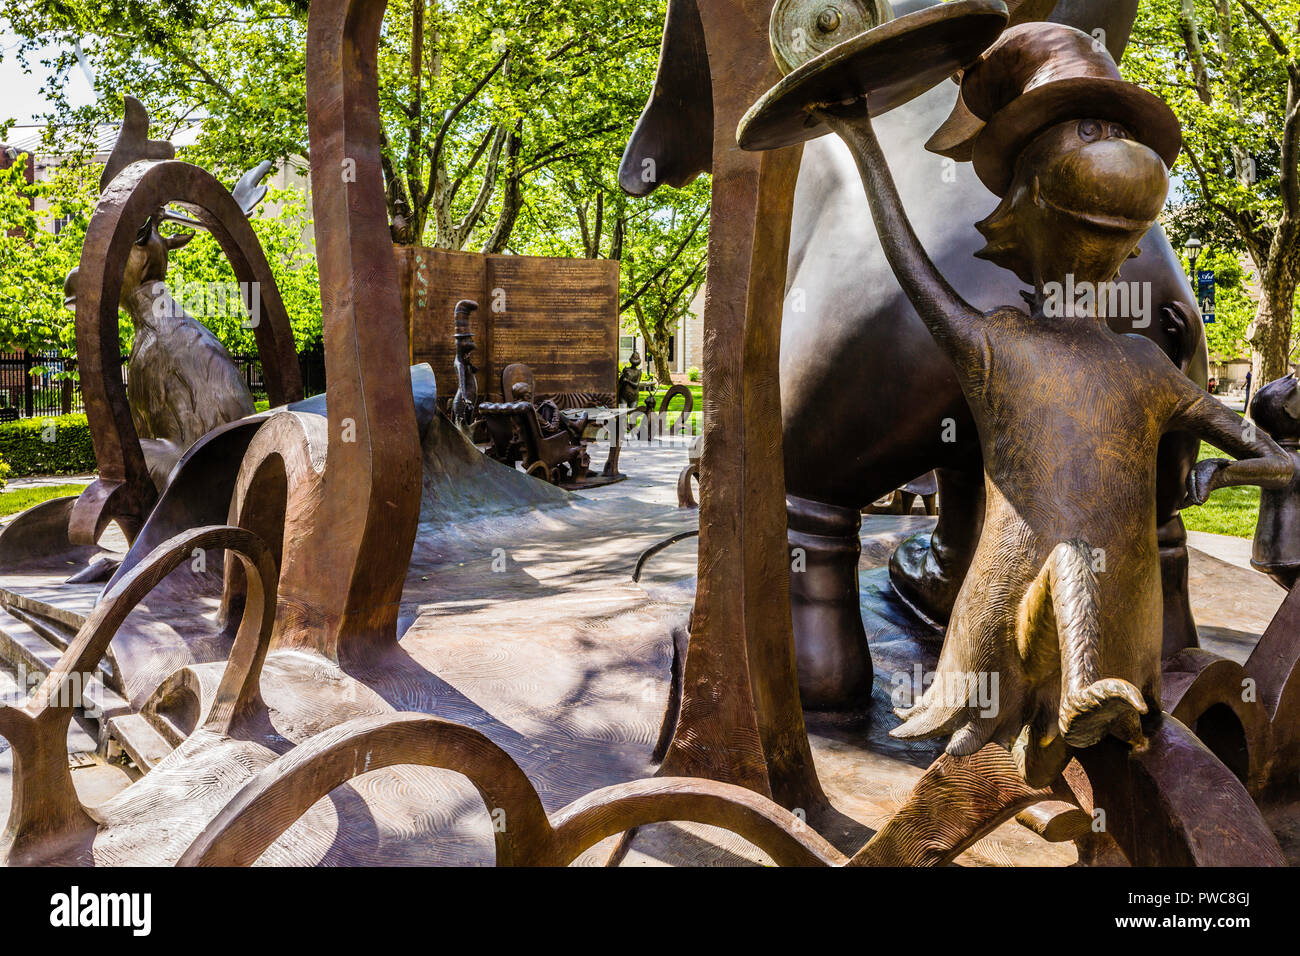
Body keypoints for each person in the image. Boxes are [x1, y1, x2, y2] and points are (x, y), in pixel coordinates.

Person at [812, 23, 1293, 784]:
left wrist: (1216, 479)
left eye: (1113, 131)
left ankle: (1089, 700)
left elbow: (1271, 458)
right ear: (1028, 198)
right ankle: (1080, 692)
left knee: (1070, 739)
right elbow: (905, 256)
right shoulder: (998, 345)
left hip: (1125, 631)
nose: (1109, 148)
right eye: (1089, 131)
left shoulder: (1143, 365)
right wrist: (859, 138)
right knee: (1070, 556)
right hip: (1017, 627)